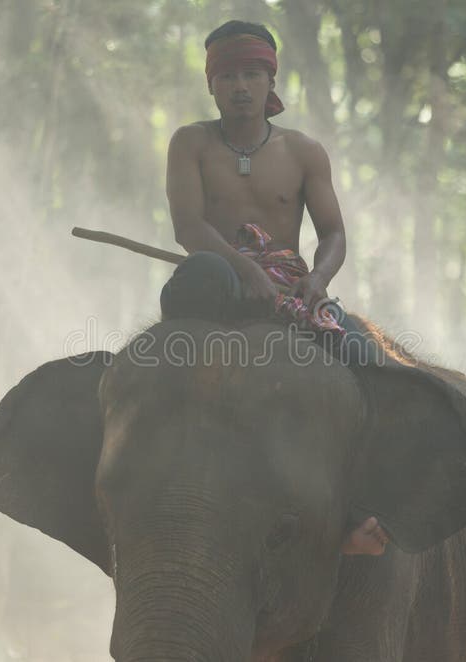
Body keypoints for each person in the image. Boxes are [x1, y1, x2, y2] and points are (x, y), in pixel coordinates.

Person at [159, 19, 389, 556]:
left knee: (362, 357)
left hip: (287, 291)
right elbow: (189, 227)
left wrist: (318, 279)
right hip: (215, 282)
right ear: (211, 85)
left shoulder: (303, 152)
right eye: (229, 76)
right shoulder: (189, 143)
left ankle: (359, 513)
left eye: (252, 74)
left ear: (270, 82)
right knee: (204, 273)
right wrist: (243, 269)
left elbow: (333, 232)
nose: (240, 86)